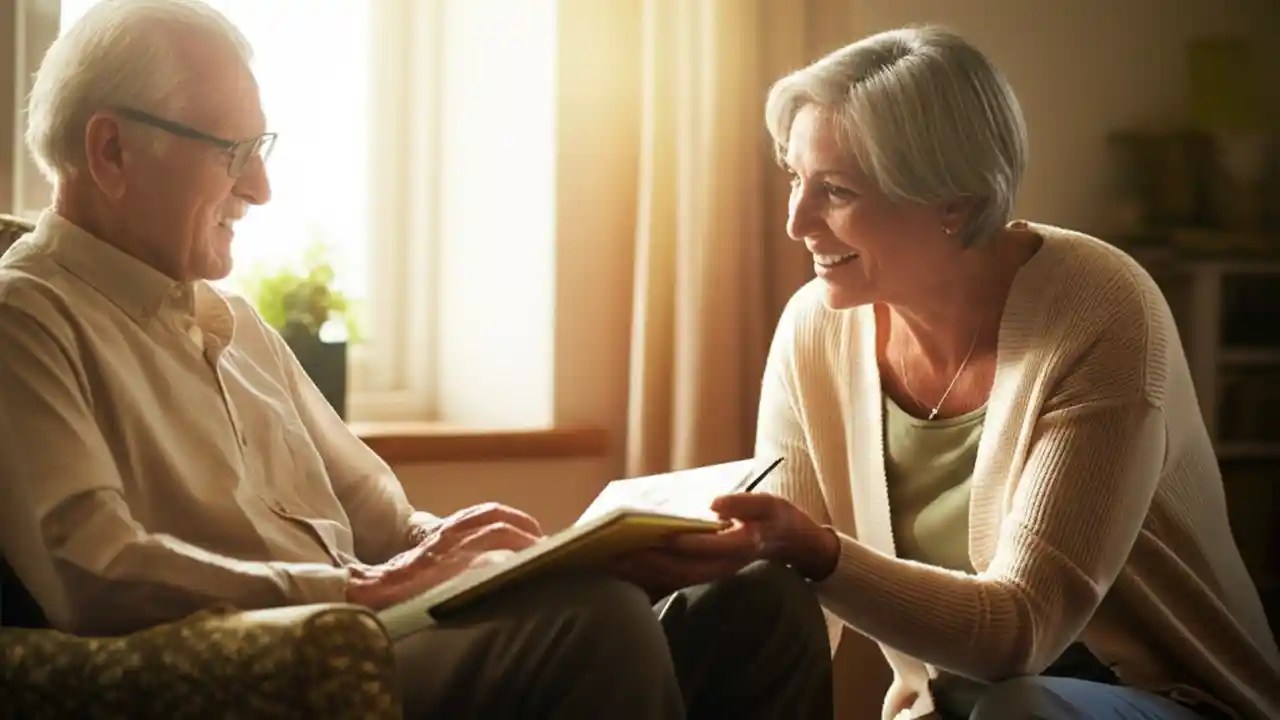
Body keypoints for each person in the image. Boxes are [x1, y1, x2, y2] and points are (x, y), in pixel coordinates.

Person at [0, 1, 832, 717]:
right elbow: (93, 569)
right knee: (598, 625)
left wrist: (542, 558)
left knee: (757, 602)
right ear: (109, 151)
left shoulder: (238, 324)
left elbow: (395, 531)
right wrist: (359, 593)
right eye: (230, 152)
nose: (260, 190)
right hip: (274, 668)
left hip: (378, 626)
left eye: (264, 148)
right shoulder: (27, 317)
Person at [627, 26, 1280, 720]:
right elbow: (779, 577)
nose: (796, 221)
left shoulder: (1102, 308)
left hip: (1173, 702)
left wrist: (817, 551)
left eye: (837, 190)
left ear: (956, 202)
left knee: (1018, 711)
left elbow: (1018, 633)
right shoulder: (815, 325)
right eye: (794, 177)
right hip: (956, 709)